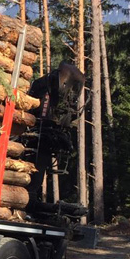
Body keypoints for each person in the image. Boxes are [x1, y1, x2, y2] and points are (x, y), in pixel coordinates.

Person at [24, 62, 84, 216]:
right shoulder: (43, 87)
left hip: (44, 136)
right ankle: (28, 200)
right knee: (35, 169)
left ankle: (30, 201)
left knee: (38, 171)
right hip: (37, 135)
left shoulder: (51, 89)